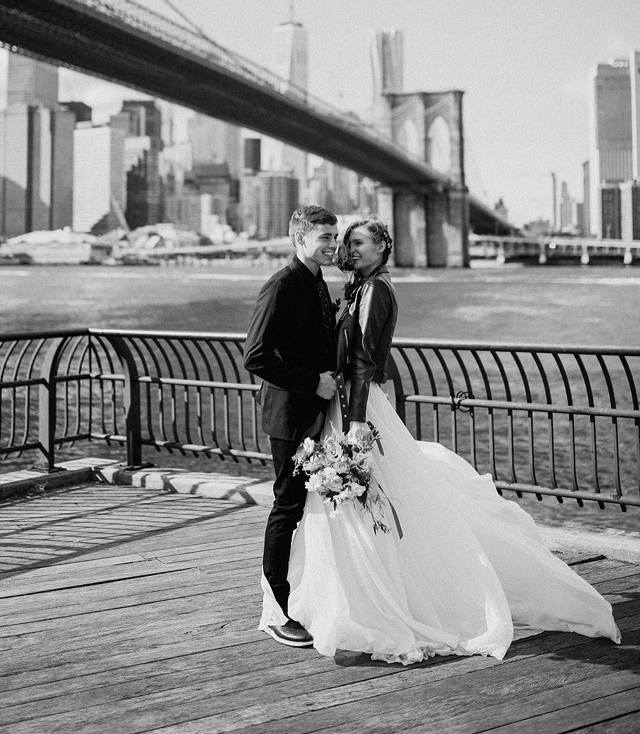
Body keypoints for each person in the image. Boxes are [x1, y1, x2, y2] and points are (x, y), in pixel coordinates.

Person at [261, 218, 620, 663]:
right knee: (349, 508)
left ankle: (383, 600)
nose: (346, 249)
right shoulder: (353, 287)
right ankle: (348, 597)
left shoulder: (374, 291)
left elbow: (365, 360)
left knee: (366, 505)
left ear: (382, 249)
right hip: (338, 405)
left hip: (354, 408)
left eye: (356, 242)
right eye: (341, 240)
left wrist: (355, 420)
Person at [243, 204, 340, 649]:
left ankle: (305, 596)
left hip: (313, 411)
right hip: (288, 415)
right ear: (299, 239)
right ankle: (276, 611)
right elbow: (256, 356)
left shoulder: (318, 282)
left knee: (307, 507)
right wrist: (312, 382)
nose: (332, 245)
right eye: (324, 237)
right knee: (287, 508)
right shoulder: (281, 285)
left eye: (334, 237)